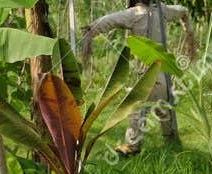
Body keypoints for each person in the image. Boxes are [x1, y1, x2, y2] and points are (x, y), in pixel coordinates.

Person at [81, 3, 195, 155]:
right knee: (166, 109)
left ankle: (132, 147)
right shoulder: (163, 10)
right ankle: (173, 144)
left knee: (137, 109)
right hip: (164, 72)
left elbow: (109, 20)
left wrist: (90, 31)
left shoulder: (135, 14)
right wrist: (189, 32)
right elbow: (183, 11)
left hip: (146, 74)